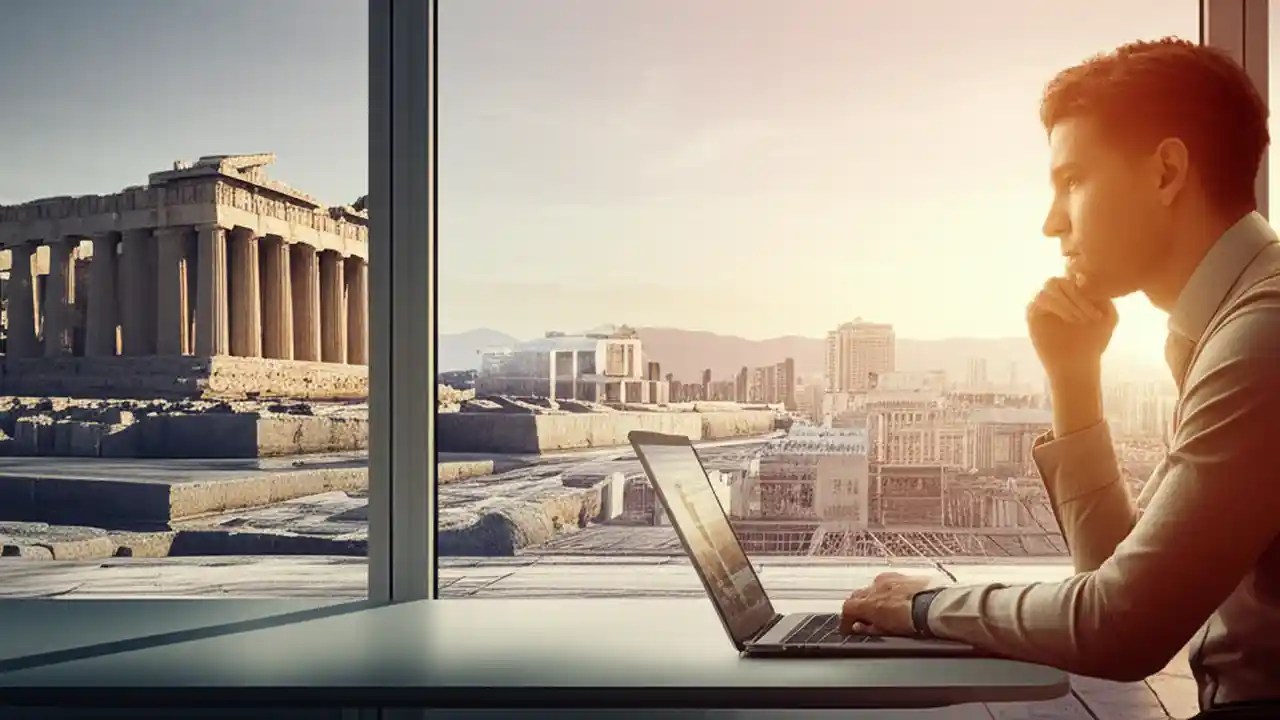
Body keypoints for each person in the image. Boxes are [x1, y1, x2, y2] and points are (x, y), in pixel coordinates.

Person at [838, 37, 1280, 719]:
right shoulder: (1236, 324)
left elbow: (1124, 628)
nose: (1052, 223)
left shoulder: (1262, 339)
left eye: (1072, 180)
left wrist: (925, 608)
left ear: (1166, 172)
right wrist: (1076, 380)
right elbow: (1121, 579)